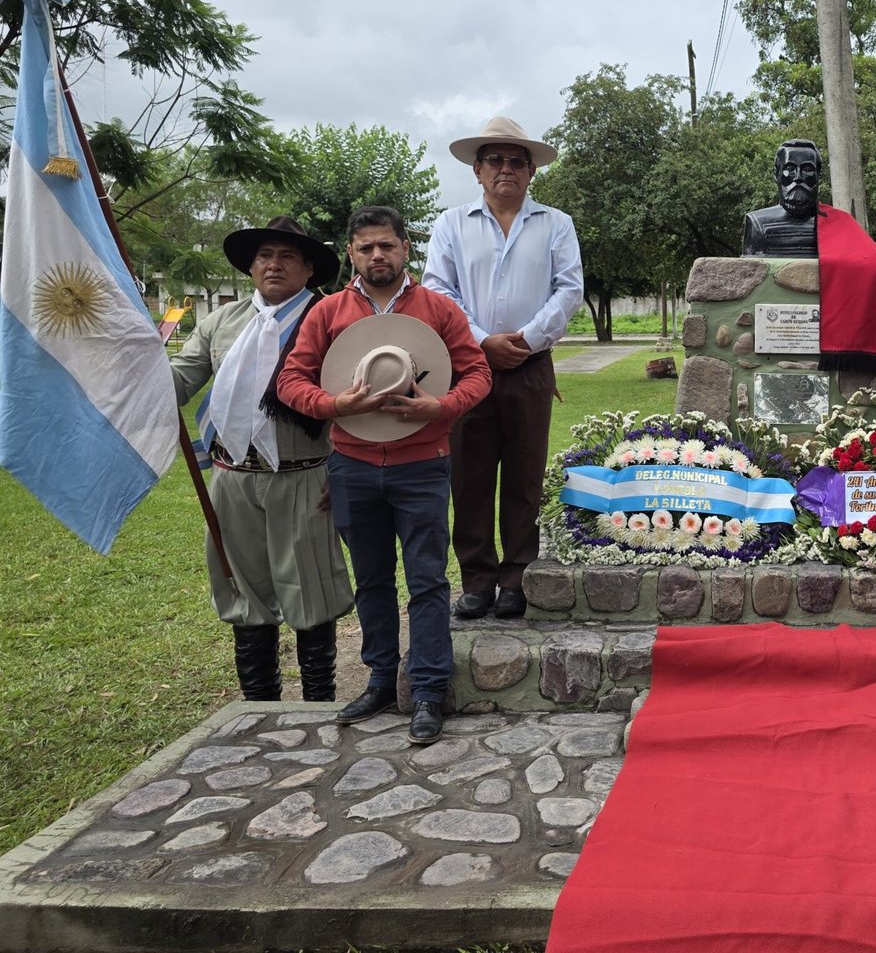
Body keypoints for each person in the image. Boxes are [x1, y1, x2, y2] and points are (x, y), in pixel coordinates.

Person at [278, 205, 492, 744]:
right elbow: (290, 381)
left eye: (388, 245)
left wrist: (439, 408)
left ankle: (426, 690)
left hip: (422, 465)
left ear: (405, 249)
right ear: (351, 251)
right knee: (371, 578)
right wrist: (332, 404)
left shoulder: (438, 309)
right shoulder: (326, 313)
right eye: (367, 246)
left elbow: (478, 372)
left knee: (427, 580)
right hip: (351, 465)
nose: (378, 255)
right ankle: (378, 678)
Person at [170, 216, 351, 702]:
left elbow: (355, 400)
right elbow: (180, 381)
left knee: (310, 590)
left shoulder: (330, 318)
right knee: (244, 595)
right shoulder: (221, 323)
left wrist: (346, 469)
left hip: (305, 476)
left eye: (288, 256)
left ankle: (318, 706)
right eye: (265, 256)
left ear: (308, 269)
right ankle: (259, 708)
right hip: (232, 478)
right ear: (251, 266)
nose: (274, 264)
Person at [423, 116, 583, 621]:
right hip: (468, 368)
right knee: (469, 475)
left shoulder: (555, 223)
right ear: (477, 170)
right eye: (495, 160)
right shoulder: (451, 224)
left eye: (517, 161)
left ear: (532, 171)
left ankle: (516, 576)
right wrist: (482, 342)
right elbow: (437, 290)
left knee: (524, 473)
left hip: (530, 367)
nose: (506, 169)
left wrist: (528, 339)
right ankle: (476, 578)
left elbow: (569, 288)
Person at [742, 139, 821, 257]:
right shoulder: (757, 223)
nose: (798, 177)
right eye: (789, 168)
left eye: (807, 169)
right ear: (776, 175)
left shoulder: (837, 225)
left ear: (818, 176)